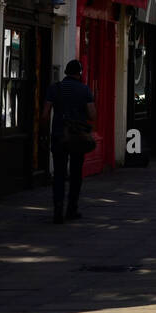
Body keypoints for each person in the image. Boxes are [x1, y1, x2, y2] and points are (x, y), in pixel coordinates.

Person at [42, 60, 95, 224]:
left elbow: (45, 114)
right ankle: (72, 208)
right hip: (77, 137)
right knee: (76, 173)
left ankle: (58, 210)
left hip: (59, 135)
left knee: (58, 173)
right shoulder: (84, 89)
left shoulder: (54, 88)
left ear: (65, 72)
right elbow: (93, 115)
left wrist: (44, 133)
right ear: (79, 73)